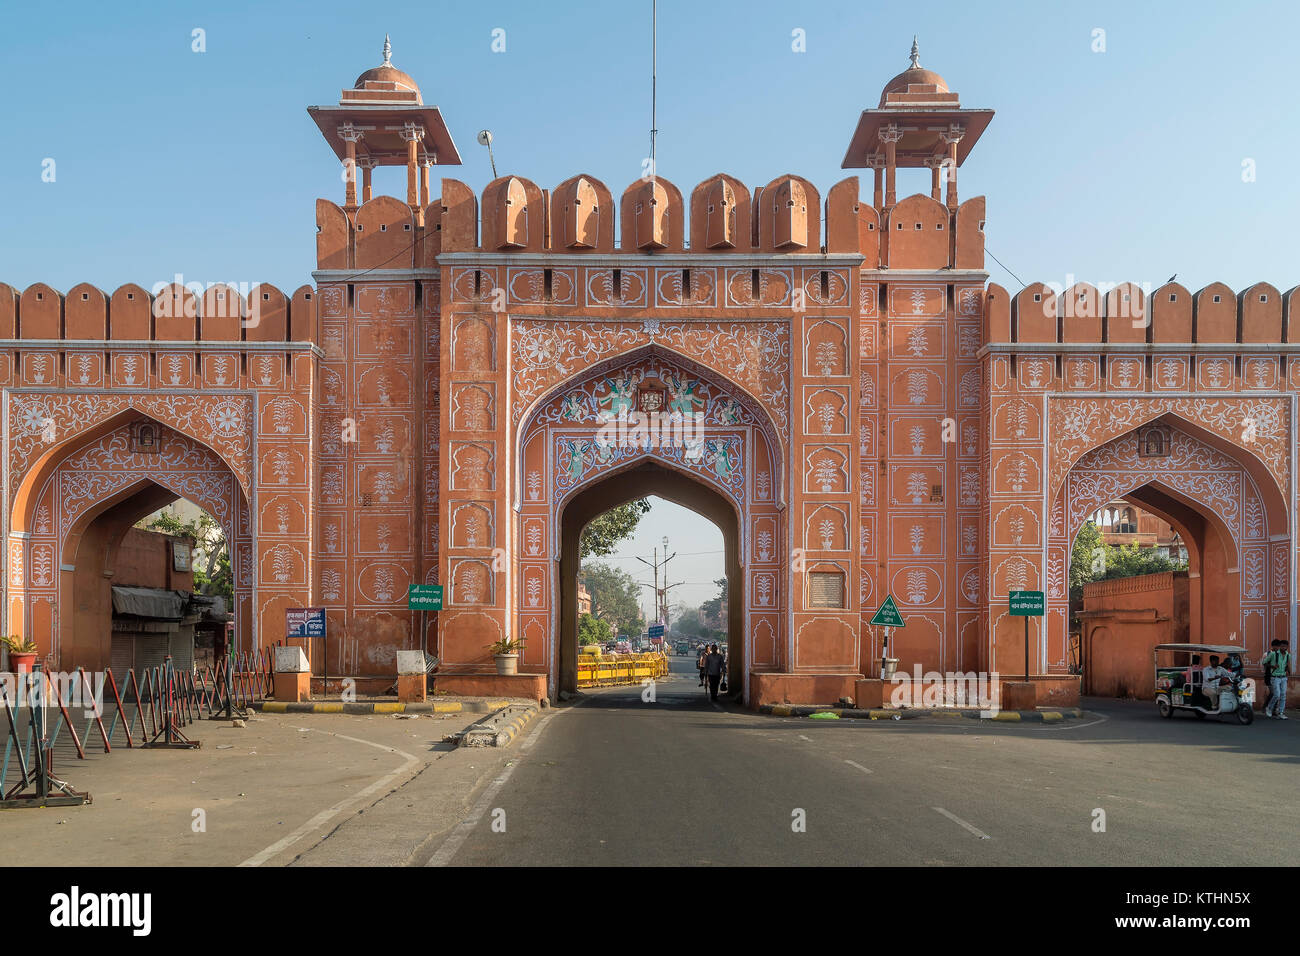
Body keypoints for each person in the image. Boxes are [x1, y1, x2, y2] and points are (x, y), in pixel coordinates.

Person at [1262, 639, 1291, 719]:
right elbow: (1264, 662)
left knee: (1283, 695)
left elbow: (1287, 664)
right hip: (1275, 677)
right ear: (1279, 647)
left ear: (1287, 647)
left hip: (1284, 677)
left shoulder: (1288, 655)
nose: (1283, 648)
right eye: (1281, 646)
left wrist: (1289, 671)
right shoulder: (1273, 654)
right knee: (1277, 694)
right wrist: (1272, 666)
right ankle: (1269, 708)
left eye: (1285, 646)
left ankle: (1281, 712)